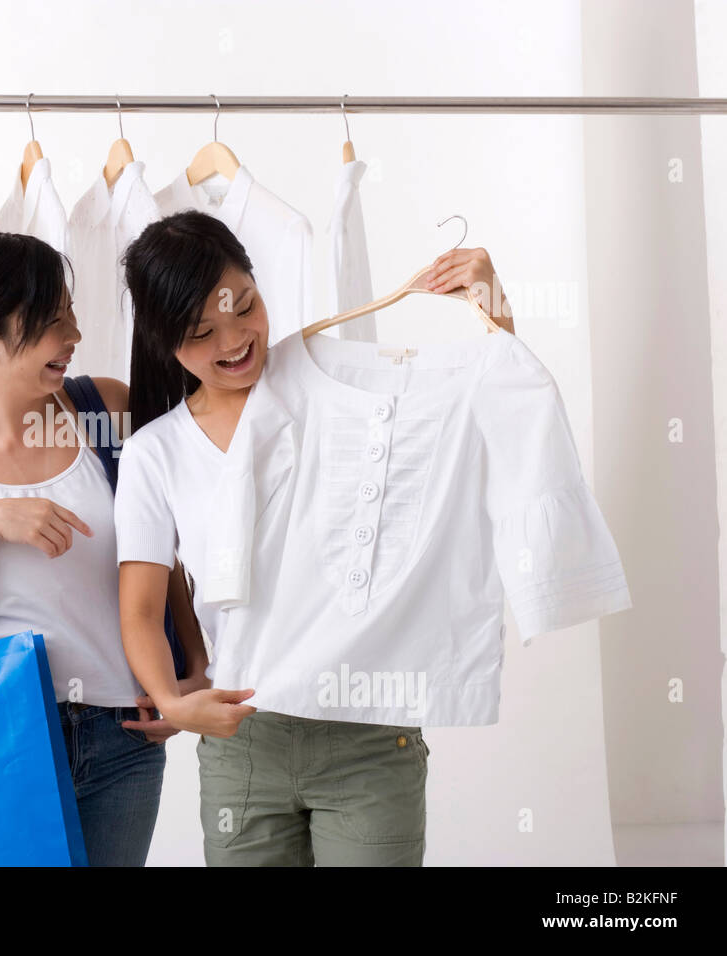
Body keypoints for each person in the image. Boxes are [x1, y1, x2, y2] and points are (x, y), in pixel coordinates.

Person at [114, 210, 515, 866]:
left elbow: (488, 392)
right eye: (201, 332)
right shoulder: (155, 455)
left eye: (245, 306)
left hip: (366, 733)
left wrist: (490, 297)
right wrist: (170, 702)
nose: (235, 338)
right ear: (166, 343)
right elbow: (138, 606)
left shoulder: (335, 382)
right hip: (243, 740)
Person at [0, 229, 209, 866]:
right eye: (52, 322)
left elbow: (162, 559)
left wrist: (192, 669)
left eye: (72, 314)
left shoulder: (106, 410)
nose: (74, 337)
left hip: (125, 733)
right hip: (5, 734)